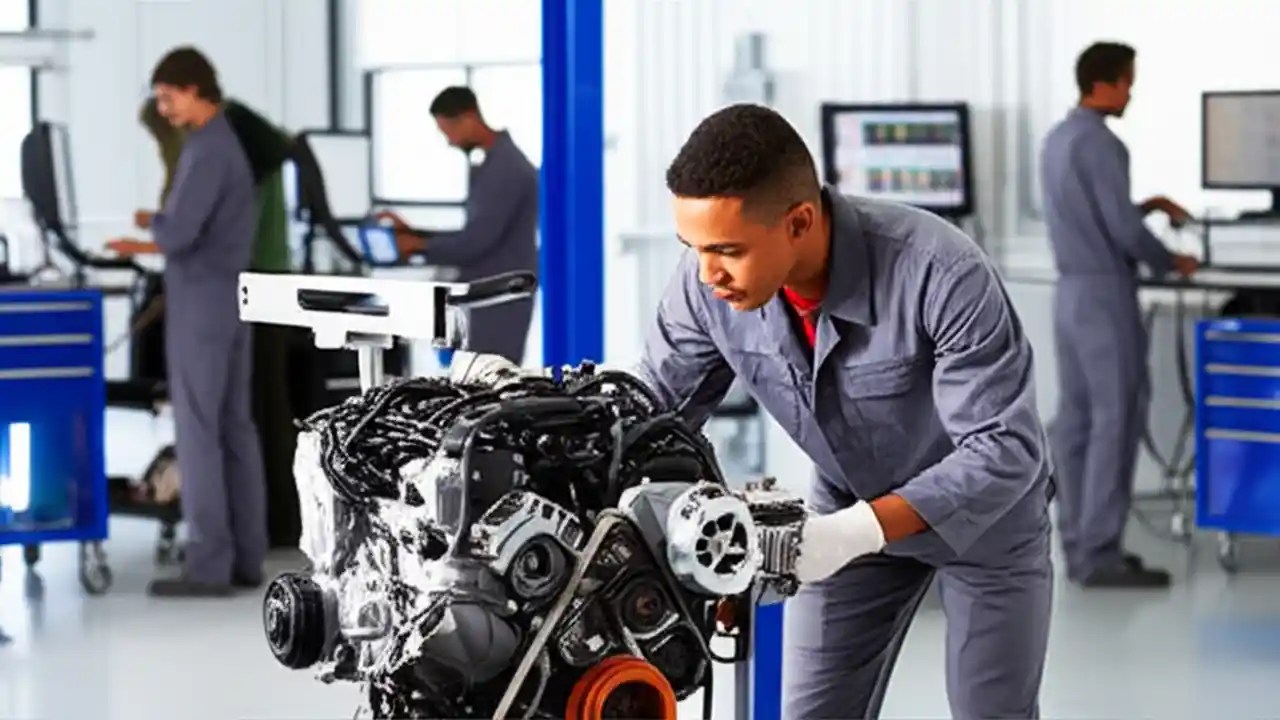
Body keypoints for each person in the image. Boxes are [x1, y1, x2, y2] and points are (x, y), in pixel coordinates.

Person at [636, 104, 1053, 719]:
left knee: (991, 711)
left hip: (986, 524)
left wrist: (856, 531)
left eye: (727, 249)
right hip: (847, 507)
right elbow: (649, 422)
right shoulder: (705, 285)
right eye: (692, 248)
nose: (707, 274)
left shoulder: (939, 270)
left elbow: (1004, 448)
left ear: (800, 221)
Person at [108, 46, 267, 597]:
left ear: (193, 89)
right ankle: (247, 558)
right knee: (234, 430)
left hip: (202, 304)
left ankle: (208, 566)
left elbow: (179, 236)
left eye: (167, 97)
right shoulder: (226, 146)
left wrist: (142, 237)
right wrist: (161, 220)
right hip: (232, 300)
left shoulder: (205, 149)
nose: (164, 108)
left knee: (197, 432)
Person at [1041, 41, 1198, 589]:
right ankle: (1102, 553)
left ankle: (1079, 546)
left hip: (1071, 294)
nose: (1131, 92)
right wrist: (1171, 260)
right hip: (1106, 295)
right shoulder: (1105, 145)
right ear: (1104, 83)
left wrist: (1149, 205)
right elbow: (1123, 234)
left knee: (1078, 422)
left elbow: (1095, 215)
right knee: (1118, 418)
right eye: (1128, 81)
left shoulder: (1059, 140)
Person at [139, 92, 302, 549]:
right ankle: (270, 530)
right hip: (266, 281)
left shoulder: (218, 151)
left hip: (243, 285)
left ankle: (236, 539)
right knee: (258, 412)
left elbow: (195, 232)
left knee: (222, 419)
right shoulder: (251, 146)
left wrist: (159, 230)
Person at [376, 86, 538, 364]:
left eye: (447, 130)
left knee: (487, 384)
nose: (449, 141)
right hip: (486, 296)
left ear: (468, 117)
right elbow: (475, 231)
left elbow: (475, 242)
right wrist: (413, 234)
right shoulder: (491, 163)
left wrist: (418, 246)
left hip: (498, 299)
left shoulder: (506, 169)